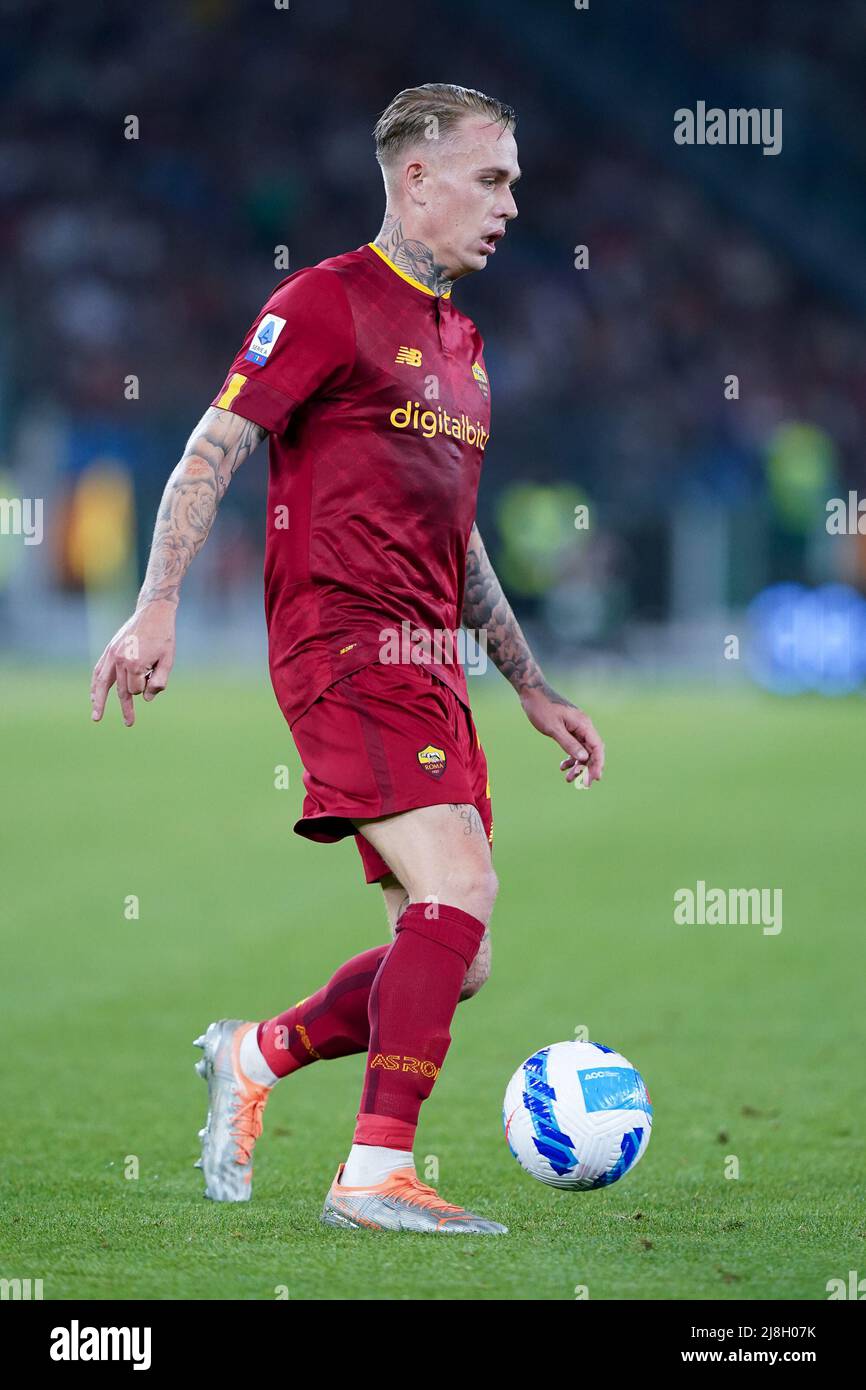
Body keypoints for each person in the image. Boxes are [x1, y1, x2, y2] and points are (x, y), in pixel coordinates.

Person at [90, 83, 604, 1234]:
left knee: (457, 953)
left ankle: (257, 1053)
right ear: (416, 179)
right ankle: (373, 1174)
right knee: (459, 888)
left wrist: (528, 683)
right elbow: (212, 446)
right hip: (342, 643)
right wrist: (156, 603)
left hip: (432, 663)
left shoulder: (465, 346)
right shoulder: (324, 302)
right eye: (491, 179)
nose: (510, 206)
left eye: (513, 183)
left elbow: (455, 535)